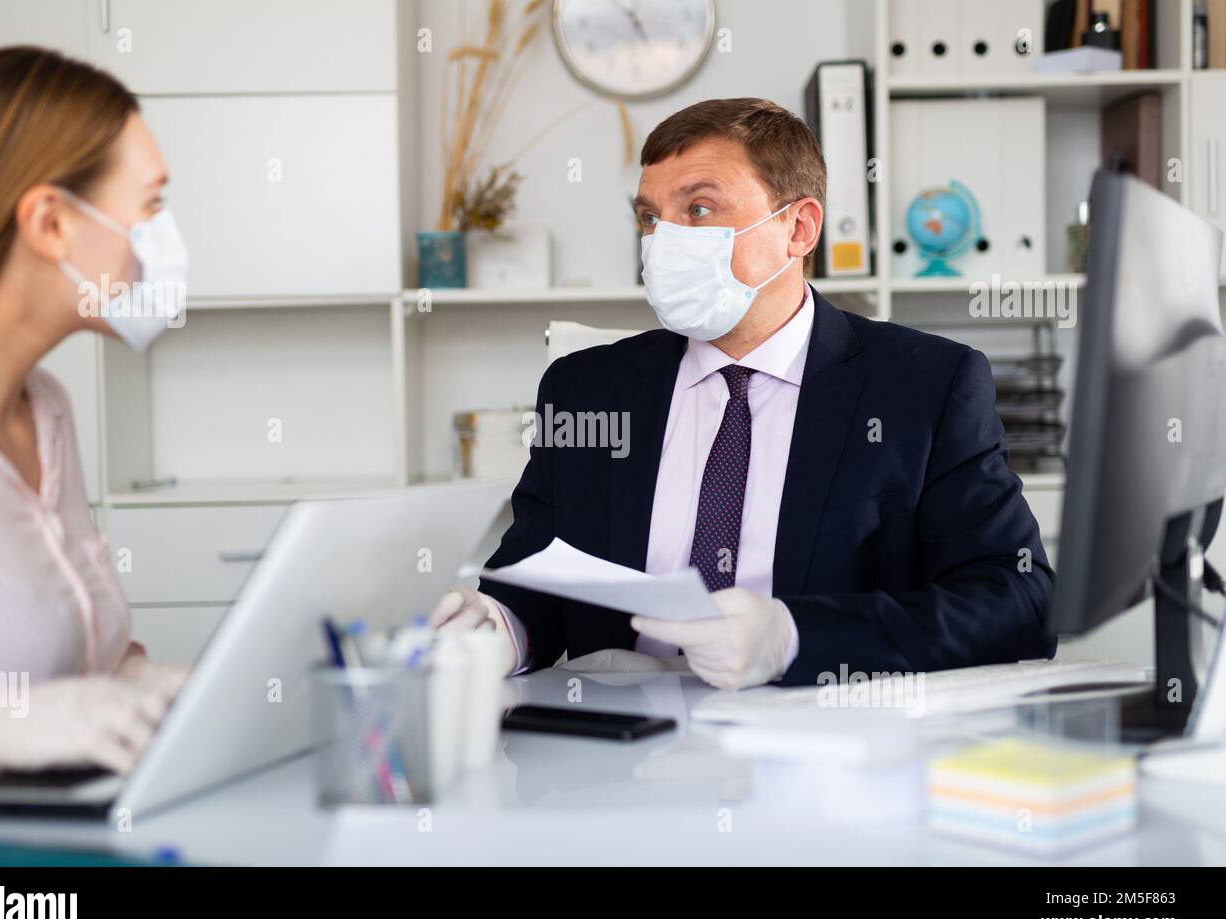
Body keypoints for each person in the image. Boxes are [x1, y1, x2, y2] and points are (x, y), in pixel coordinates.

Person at [432, 97, 1054, 690]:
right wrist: (498, 628)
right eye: (650, 217)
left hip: (825, 753)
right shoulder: (586, 389)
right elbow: (539, 579)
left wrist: (792, 637)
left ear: (799, 228)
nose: (663, 240)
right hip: (617, 755)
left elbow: (1019, 602)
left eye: (699, 209)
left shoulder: (925, 386)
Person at [0, 47, 189, 775]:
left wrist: (141, 683)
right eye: (150, 205)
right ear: (50, 223)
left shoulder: (46, 412)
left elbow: (72, 661)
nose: (163, 245)